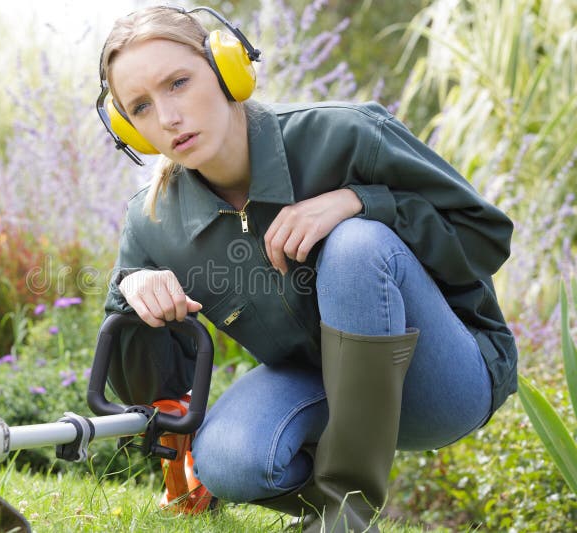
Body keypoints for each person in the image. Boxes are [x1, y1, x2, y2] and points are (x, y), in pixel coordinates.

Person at [96, 5, 518, 532]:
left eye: (178, 82)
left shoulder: (344, 133)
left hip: (441, 381)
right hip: (318, 386)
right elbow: (156, 390)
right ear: (128, 129)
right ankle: (322, 509)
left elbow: (485, 236)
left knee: (355, 245)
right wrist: (132, 297)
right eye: (141, 107)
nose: (168, 117)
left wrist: (361, 202)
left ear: (226, 68)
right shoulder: (152, 221)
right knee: (227, 460)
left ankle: (346, 515)